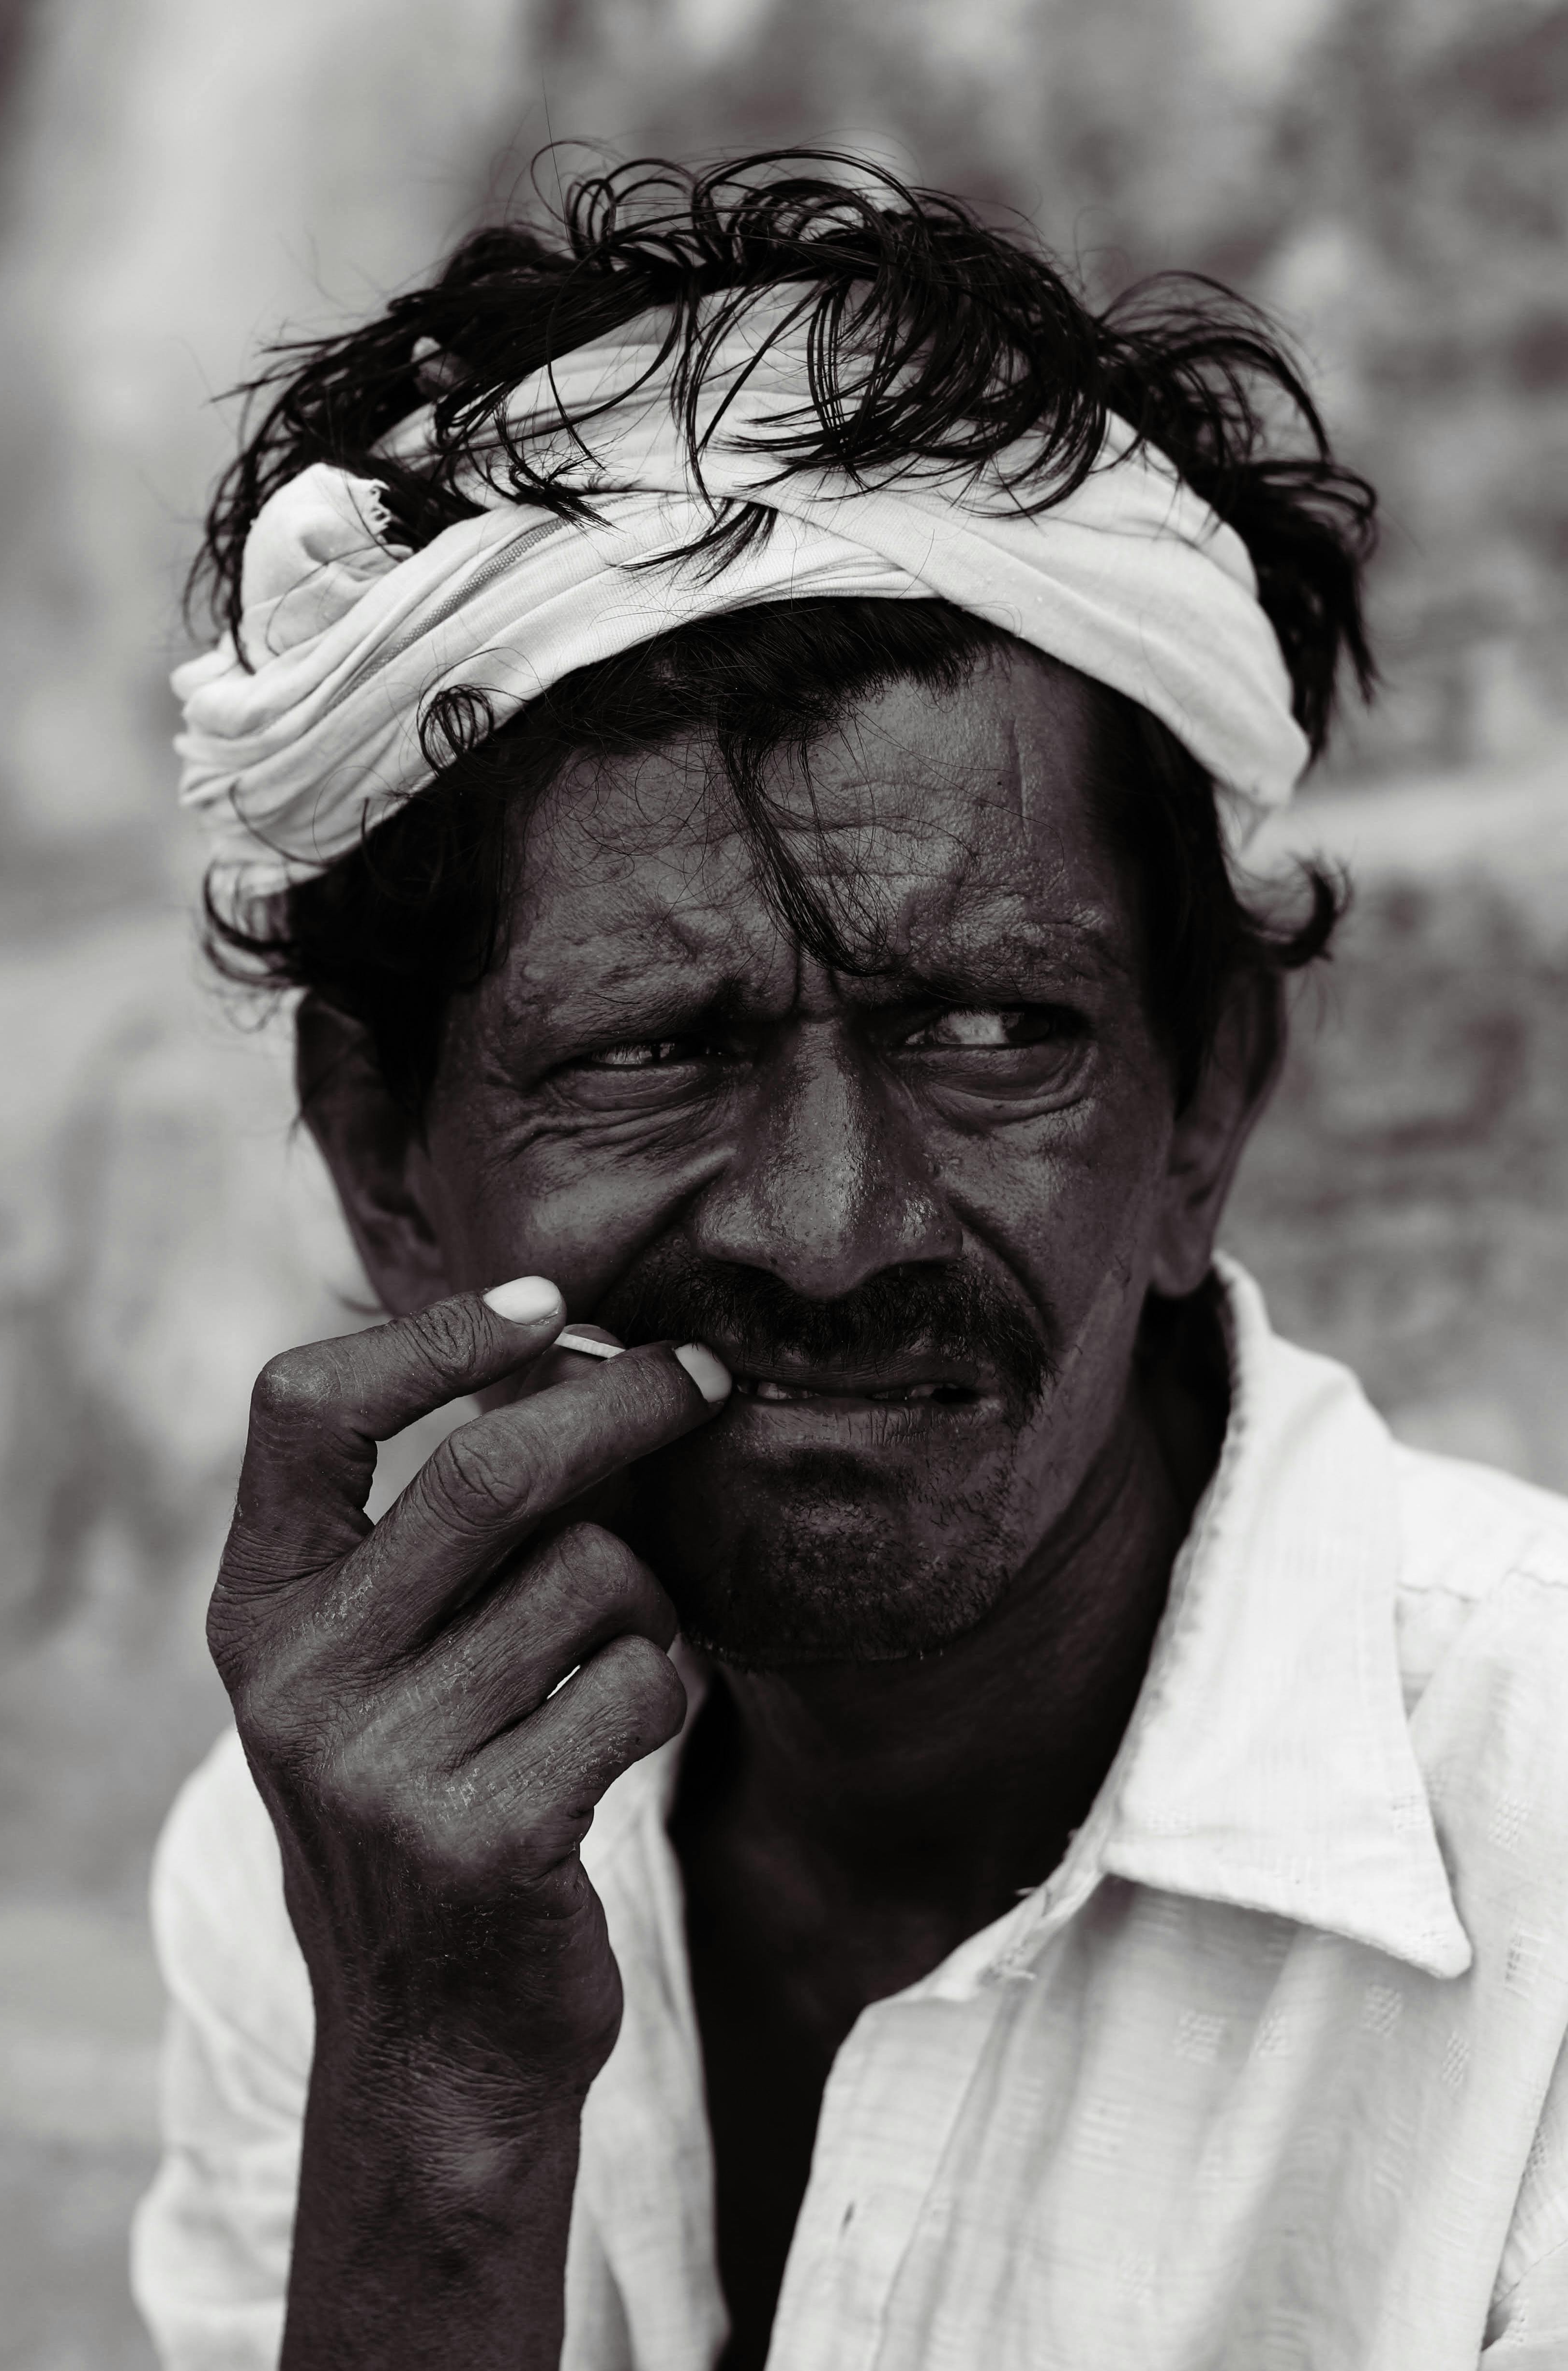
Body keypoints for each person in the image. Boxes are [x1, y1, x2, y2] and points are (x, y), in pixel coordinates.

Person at [131, 154, 1568, 2371]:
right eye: (645, 1052)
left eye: (990, 1030)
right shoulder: (338, 1861)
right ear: (382, 1161)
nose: (830, 1225)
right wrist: (430, 2106)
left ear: (1201, 1112)